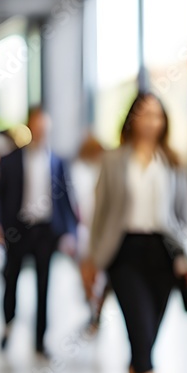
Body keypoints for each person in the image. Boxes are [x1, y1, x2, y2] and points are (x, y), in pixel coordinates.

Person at [84, 92, 187, 373]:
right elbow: (101, 211)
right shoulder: (114, 159)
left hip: (163, 253)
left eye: (157, 115)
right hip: (125, 254)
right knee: (141, 335)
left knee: (146, 342)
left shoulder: (173, 162)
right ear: (133, 118)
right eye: (145, 114)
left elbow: (185, 216)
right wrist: (91, 258)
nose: (151, 121)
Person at [0, 106, 78, 355]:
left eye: (45, 128)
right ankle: (8, 325)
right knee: (11, 279)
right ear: (30, 127)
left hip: (45, 231)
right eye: (38, 127)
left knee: (44, 285)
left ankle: (40, 339)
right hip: (18, 229)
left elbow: (66, 199)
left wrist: (70, 231)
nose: (42, 132)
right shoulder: (10, 160)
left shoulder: (58, 162)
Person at [70, 133, 109, 331]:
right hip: (85, 229)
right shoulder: (78, 171)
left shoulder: (105, 170)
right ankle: (92, 307)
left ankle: (97, 310)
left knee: (102, 275)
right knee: (87, 272)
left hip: (102, 230)